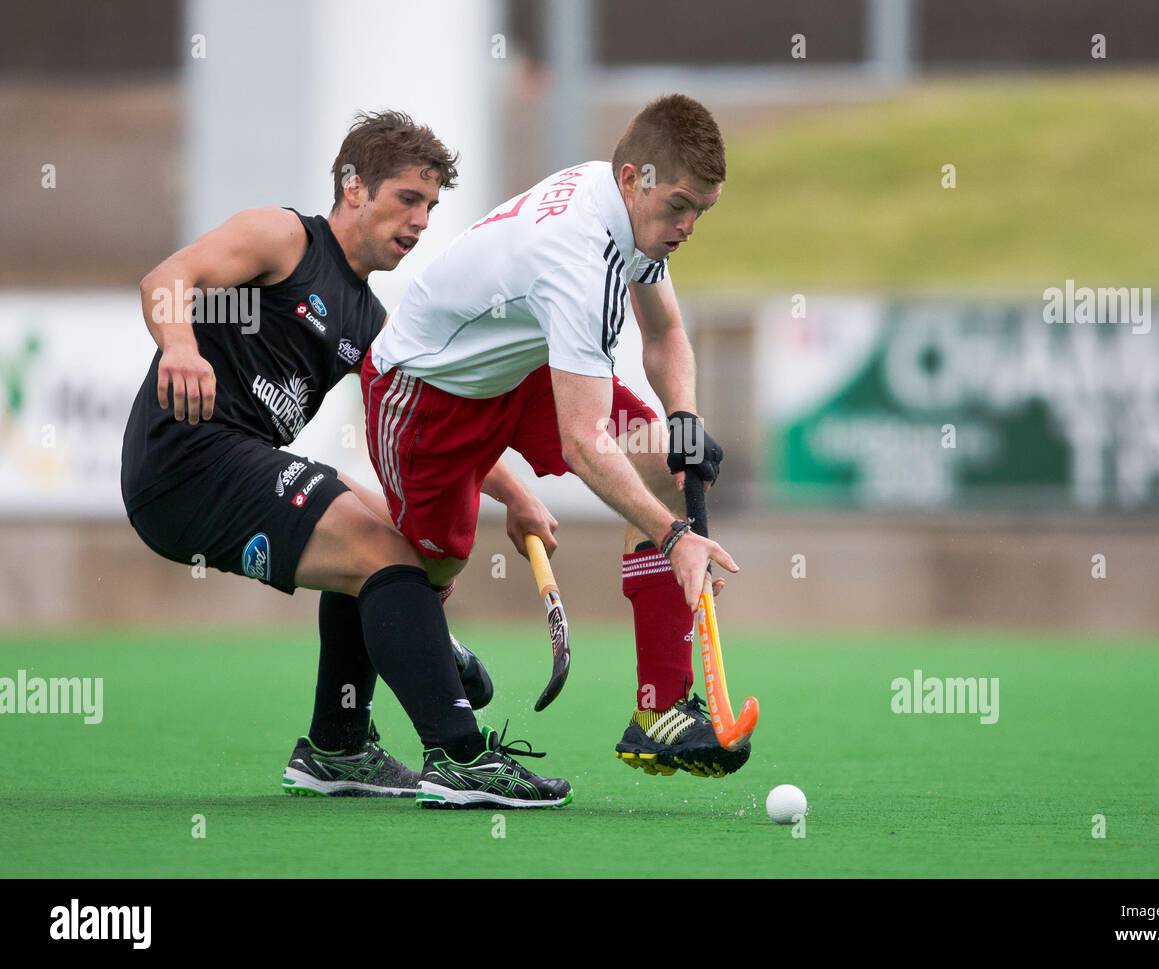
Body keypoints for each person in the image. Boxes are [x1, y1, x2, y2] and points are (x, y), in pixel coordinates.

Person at [120, 110, 571, 806]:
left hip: (236, 460)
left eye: (431, 206)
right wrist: (180, 346)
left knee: (394, 546)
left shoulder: (371, 321)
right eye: (407, 199)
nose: (421, 221)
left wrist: (512, 493)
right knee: (378, 552)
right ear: (354, 187)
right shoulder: (285, 237)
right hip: (182, 461)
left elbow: (428, 424)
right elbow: (167, 276)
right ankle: (460, 756)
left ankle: (338, 744)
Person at [364, 94, 749, 791]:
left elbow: (665, 334)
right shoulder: (578, 252)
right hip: (424, 393)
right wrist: (674, 536)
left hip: (517, 370)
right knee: (422, 568)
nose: (689, 226)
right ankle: (364, 713)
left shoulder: (630, 214)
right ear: (635, 178)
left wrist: (684, 418)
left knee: (663, 460)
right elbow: (583, 442)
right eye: (681, 207)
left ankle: (660, 712)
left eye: (703, 212)